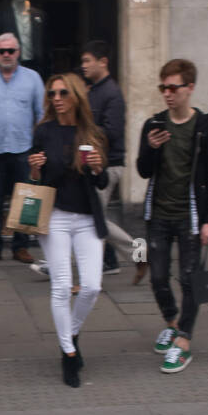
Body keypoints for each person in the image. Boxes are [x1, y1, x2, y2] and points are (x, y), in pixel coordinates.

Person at [135, 59, 208, 374]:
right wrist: (151, 148)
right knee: (157, 278)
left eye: (174, 88)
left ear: (190, 88)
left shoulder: (207, 130)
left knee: (189, 280)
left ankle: (183, 341)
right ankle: (173, 323)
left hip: (191, 217)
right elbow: (143, 170)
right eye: (163, 88)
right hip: (157, 214)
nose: (168, 94)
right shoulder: (154, 125)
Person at [28, 73, 109, 388]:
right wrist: (34, 168)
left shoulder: (92, 132)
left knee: (91, 287)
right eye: (52, 93)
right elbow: (36, 179)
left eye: (63, 92)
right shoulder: (44, 131)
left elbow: (101, 183)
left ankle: (71, 332)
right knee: (61, 288)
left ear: (75, 96)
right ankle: (69, 353)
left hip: (87, 218)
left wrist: (99, 168)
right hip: (56, 217)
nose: (56, 98)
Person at [0, 33, 44, 265]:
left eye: (10, 51)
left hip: (24, 151)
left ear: (18, 52)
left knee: (24, 202)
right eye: (2, 51)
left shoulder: (33, 79)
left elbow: (41, 115)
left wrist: (39, 149)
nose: (6, 55)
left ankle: (20, 247)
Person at [81, 40, 147, 283]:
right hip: (97, 164)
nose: (83, 65)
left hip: (108, 166)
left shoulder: (112, 94)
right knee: (93, 218)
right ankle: (112, 262)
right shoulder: (95, 90)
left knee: (92, 220)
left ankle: (139, 254)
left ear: (103, 62)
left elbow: (113, 132)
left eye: (87, 60)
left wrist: (85, 135)